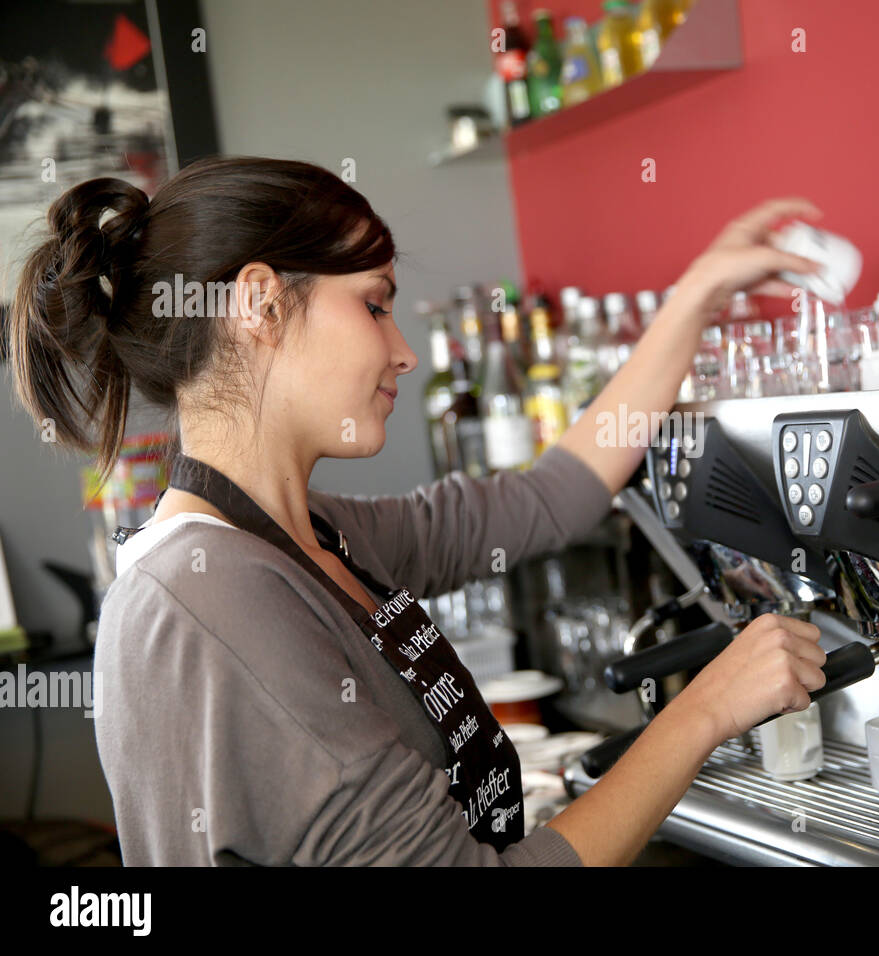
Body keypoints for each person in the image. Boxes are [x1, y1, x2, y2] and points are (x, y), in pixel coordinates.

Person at [7, 155, 829, 866]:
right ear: (258, 305)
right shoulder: (207, 601)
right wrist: (706, 711)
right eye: (374, 303)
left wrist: (698, 294)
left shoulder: (309, 535)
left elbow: (548, 501)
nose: (402, 350)